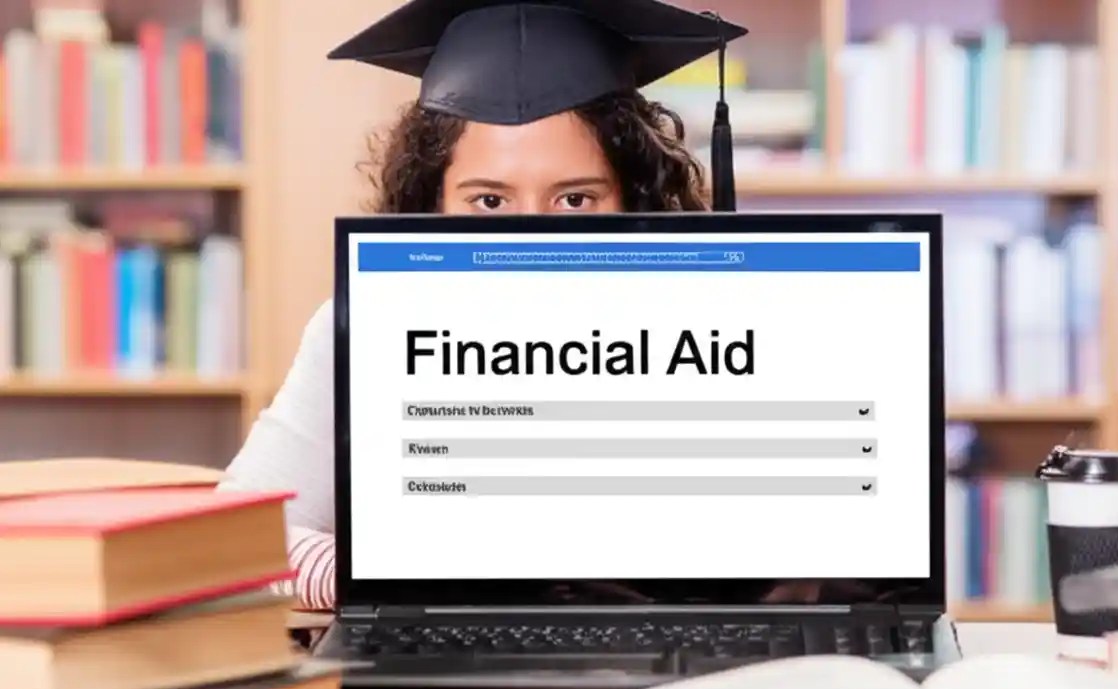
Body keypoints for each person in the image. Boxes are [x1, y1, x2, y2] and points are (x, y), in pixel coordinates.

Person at [217, 0, 746, 609]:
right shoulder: (364, 330)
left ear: (633, 203)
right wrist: (380, 577)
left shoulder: (712, 332)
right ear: (431, 206)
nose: (530, 242)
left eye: (574, 201)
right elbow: (239, 538)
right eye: (489, 202)